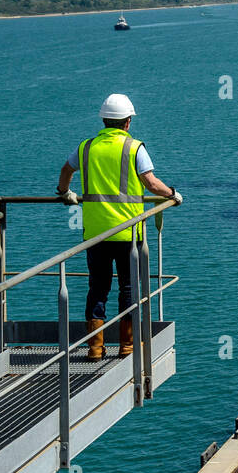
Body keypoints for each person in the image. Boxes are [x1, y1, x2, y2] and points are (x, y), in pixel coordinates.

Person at [56, 94, 181, 360]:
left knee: (97, 288)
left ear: (104, 120)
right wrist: (172, 193)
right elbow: (151, 184)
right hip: (128, 231)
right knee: (128, 288)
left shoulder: (86, 147)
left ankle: (95, 348)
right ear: (127, 122)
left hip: (96, 233)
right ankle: (127, 346)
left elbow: (66, 171)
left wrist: (65, 192)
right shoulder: (134, 148)